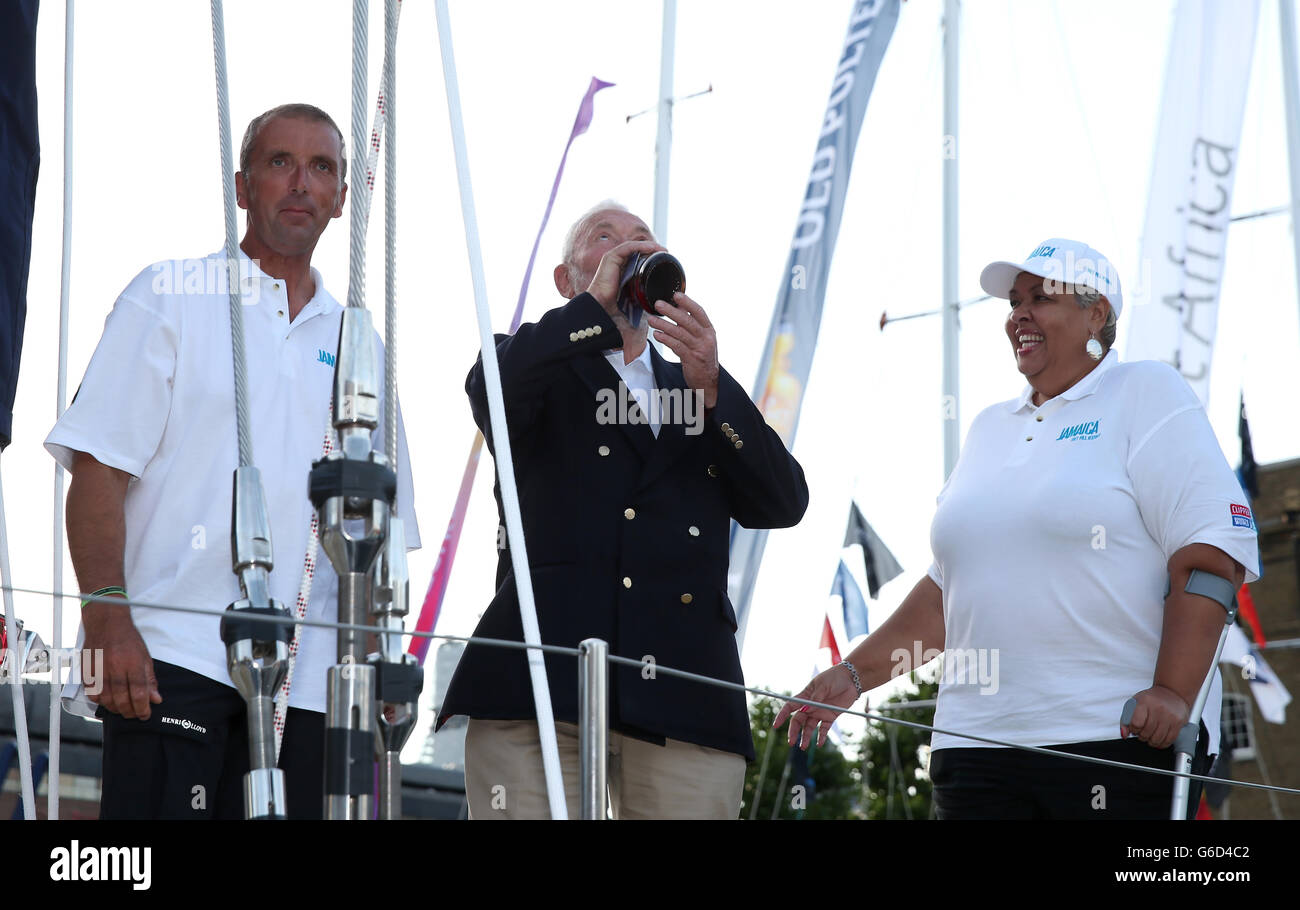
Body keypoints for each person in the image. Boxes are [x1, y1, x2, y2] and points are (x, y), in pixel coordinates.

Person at [776, 238, 1259, 820]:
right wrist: (852, 676)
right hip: (971, 748)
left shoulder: (1146, 392)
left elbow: (1211, 557)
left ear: (1096, 313)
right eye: (1014, 302)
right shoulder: (986, 429)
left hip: (1113, 743)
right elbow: (945, 598)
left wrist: (1175, 694)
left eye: (1041, 298)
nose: (1019, 315)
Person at [44, 103, 420, 819]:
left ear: (343, 197)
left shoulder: (360, 349)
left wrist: (380, 671)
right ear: (243, 187)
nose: (302, 184)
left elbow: (380, 539)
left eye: (323, 168)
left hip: (314, 689)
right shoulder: (166, 297)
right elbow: (98, 473)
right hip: (169, 658)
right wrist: (105, 617)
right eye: (281, 163)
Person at [439, 201, 809, 819]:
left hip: (684, 692)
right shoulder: (531, 363)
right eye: (604, 238)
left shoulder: (700, 389)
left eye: (642, 238)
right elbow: (492, 396)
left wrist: (714, 388)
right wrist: (592, 314)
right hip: (540, 679)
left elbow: (783, 501)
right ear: (566, 279)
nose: (628, 247)